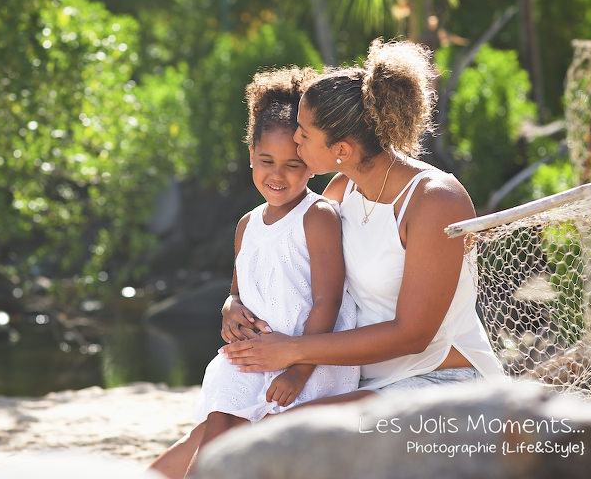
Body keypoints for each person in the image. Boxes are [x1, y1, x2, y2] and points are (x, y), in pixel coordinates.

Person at [149, 38, 503, 479]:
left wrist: (293, 352)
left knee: (270, 437)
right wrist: (233, 303)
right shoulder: (341, 192)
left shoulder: (434, 200)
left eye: (304, 133)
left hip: (437, 385)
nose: (294, 140)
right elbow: (282, 260)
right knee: (209, 434)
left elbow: (413, 334)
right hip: (352, 378)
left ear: (342, 150)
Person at [191, 67, 359, 455]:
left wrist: (300, 369)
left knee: (265, 447)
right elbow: (237, 291)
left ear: (311, 164)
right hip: (253, 357)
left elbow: (328, 300)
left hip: (306, 359)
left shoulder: (317, 216)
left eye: (292, 165)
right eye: (266, 161)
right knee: (217, 430)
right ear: (251, 156)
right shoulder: (247, 224)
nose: (277, 175)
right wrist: (229, 308)